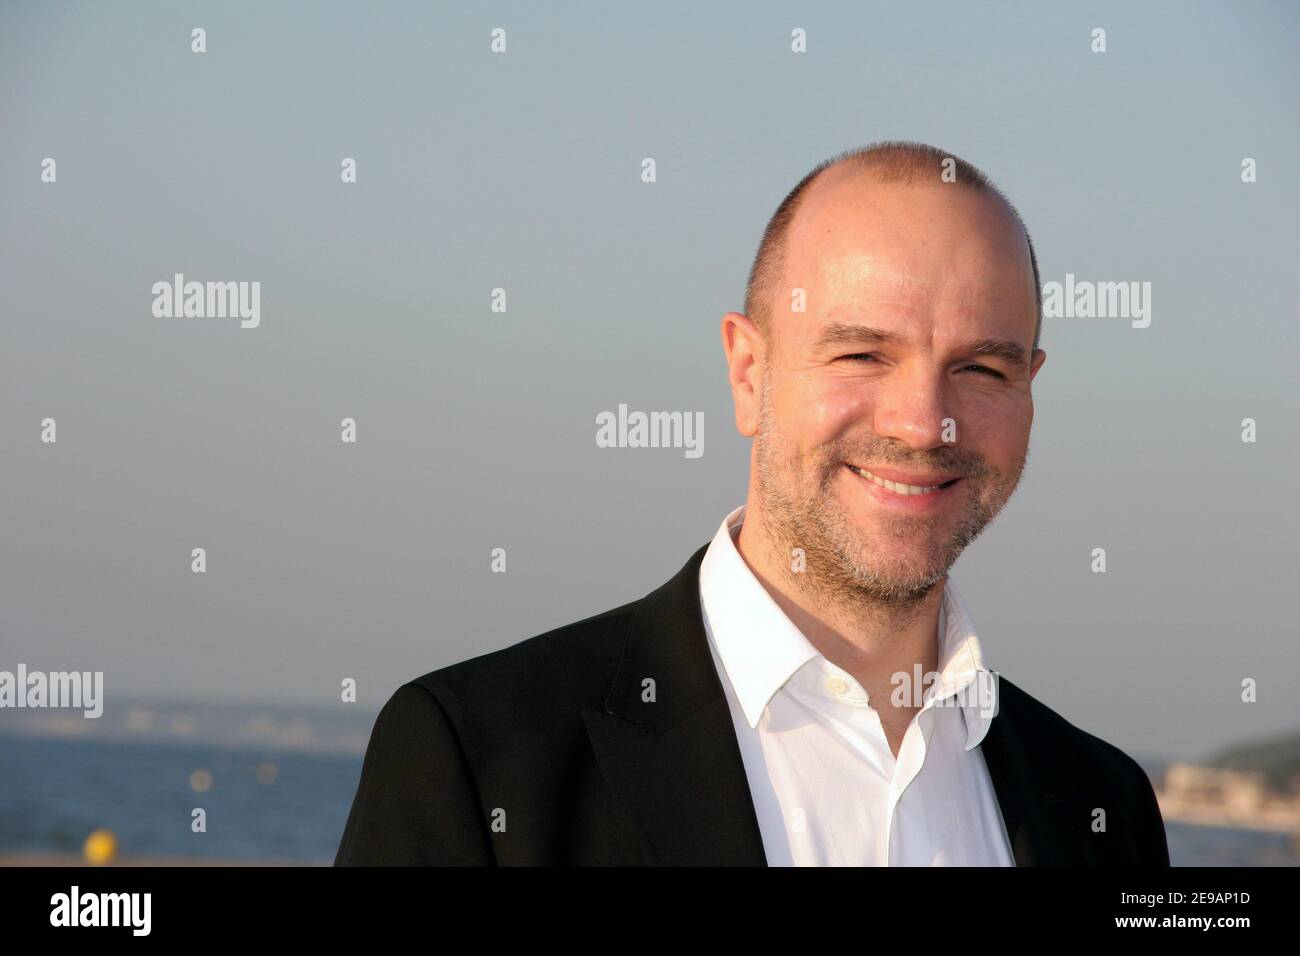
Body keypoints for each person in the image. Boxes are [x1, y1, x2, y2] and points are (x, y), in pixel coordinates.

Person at [335, 141, 1170, 866]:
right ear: (748, 374)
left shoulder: (1102, 808)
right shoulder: (479, 761)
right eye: (860, 354)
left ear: (1030, 388)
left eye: (984, 369)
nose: (923, 423)